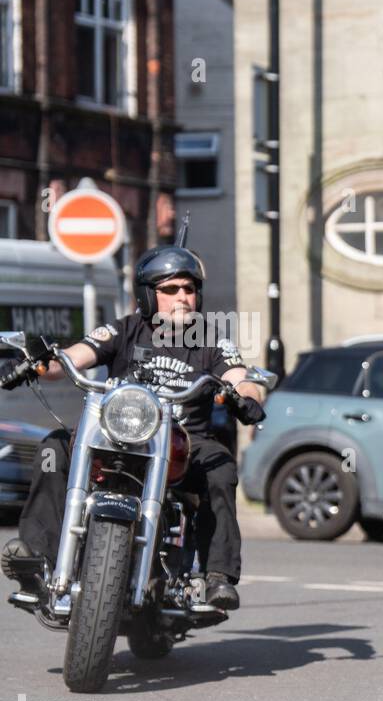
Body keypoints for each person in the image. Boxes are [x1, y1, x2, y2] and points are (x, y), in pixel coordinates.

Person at [0, 243, 267, 611]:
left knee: (220, 465)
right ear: (147, 295)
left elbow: (241, 377)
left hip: (183, 444)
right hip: (117, 437)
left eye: (189, 289)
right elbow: (74, 357)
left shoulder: (212, 340)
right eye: (170, 289)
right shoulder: (124, 330)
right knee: (54, 447)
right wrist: (40, 362)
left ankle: (216, 575)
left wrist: (246, 393)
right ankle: (37, 557)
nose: (182, 298)